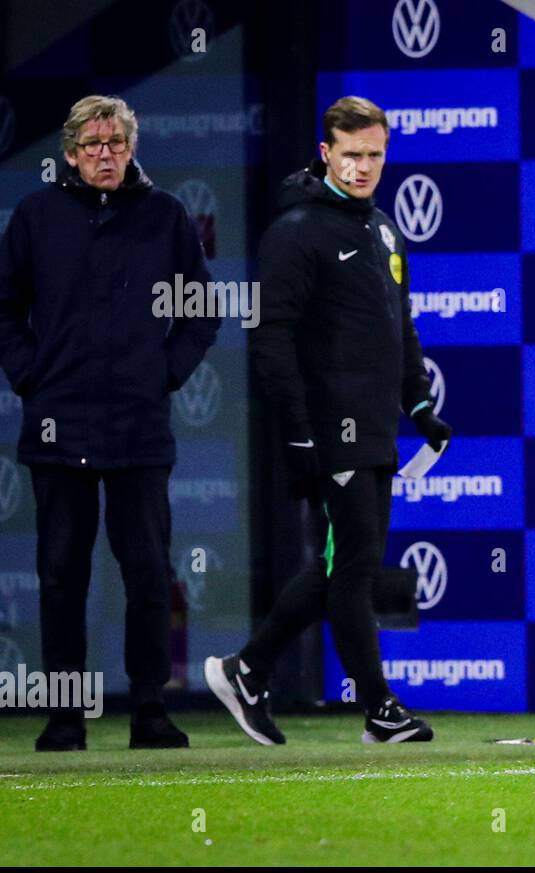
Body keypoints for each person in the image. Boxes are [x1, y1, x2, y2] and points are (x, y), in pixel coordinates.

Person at [203, 96, 451, 745]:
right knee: (356, 563)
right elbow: (270, 338)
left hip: (373, 428)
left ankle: (247, 669)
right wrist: (299, 431)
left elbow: (401, 326)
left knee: (348, 564)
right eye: (352, 155)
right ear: (326, 153)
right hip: (328, 425)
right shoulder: (296, 231)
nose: (365, 167)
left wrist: (420, 405)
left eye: (375, 155)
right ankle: (378, 708)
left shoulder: (386, 228)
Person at [0, 95, 218, 750]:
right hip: (56, 424)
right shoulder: (37, 217)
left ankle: (149, 709)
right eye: (92, 144)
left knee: (149, 571)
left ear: (131, 148)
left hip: (138, 426)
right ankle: (66, 715)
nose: (105, 154)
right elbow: (5, 311)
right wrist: (30, 376)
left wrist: (163, 374)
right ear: (69, 152)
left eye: (116, 143)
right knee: (62, 574)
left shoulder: (165, 216)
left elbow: (201, 309)